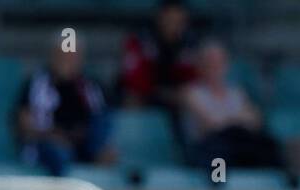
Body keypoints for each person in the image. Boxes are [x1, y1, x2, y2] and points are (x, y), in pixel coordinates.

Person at [16, 36, 115, 175]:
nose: (69, 62)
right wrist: (54, 136)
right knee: (59, 154)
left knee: (105, 143)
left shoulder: (91, 86)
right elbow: (25, 127)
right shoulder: (36, 84)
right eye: (64, 56)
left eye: (73, 57)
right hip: (47, 144)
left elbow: (100, 122)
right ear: (53, 56)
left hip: (83, 144)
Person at [180, 40, 281, 169]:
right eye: (210, 62)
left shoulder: (236, 93)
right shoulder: (192, 93)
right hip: (208, 147)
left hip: (236, 143)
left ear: (226, 65)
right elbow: (210, 125)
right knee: (219, 152)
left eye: (219, 62)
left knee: (267, 145)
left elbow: (256, 121)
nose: (215, 67)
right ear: (200, 66)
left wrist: (226, 119)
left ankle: (277, 184)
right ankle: (217, 183)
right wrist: (238, 118)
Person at [118, 0, 200, 110]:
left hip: (175, 97)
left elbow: (192, 76)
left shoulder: (189, 43)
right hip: (145, 95)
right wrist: (162, 92)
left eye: (178, 20)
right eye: (170, 18)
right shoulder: (140, 40)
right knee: (132, 97)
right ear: (160, 17)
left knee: (194, 96)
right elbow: (134, 80)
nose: (174, 24)